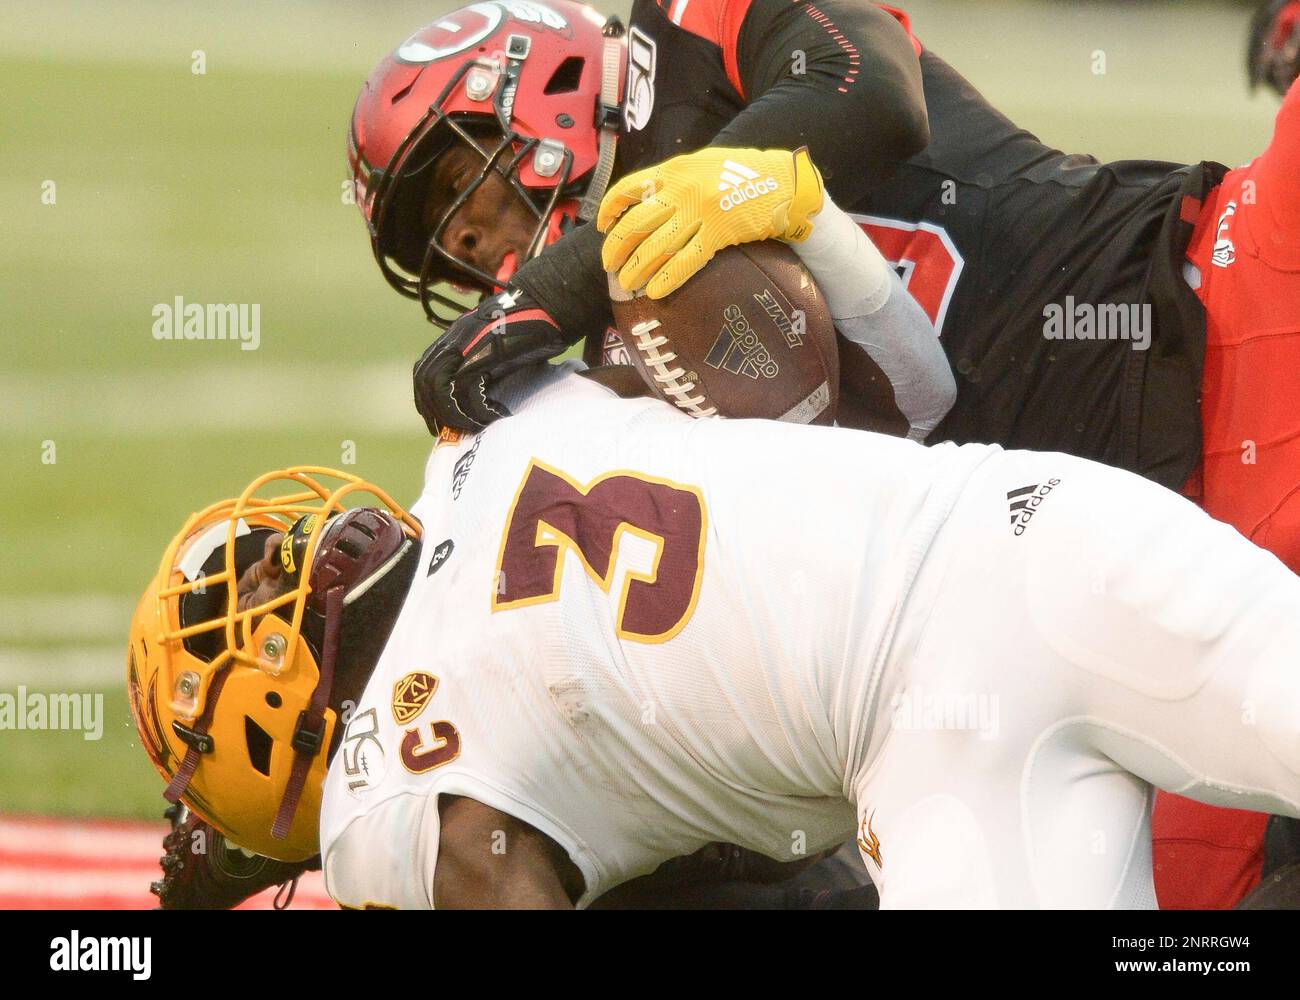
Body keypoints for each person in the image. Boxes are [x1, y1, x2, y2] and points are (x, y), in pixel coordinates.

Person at [372, 0, 1300, 909]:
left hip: (1222, 283)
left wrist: (556, 288)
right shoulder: (626, 383)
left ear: (540, 88)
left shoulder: (687, 32)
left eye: (466, 198)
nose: (488, 256)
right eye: (460, 256)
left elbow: (872, 92)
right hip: (1146, 538)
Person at [128, 364, 1300, 908]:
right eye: (271, 578)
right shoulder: (489, 419)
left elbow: (493, 871)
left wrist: (293, 849)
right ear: (265, 699)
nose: (300, 545)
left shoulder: (387, 794)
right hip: (1039, 529)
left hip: (946, 743)